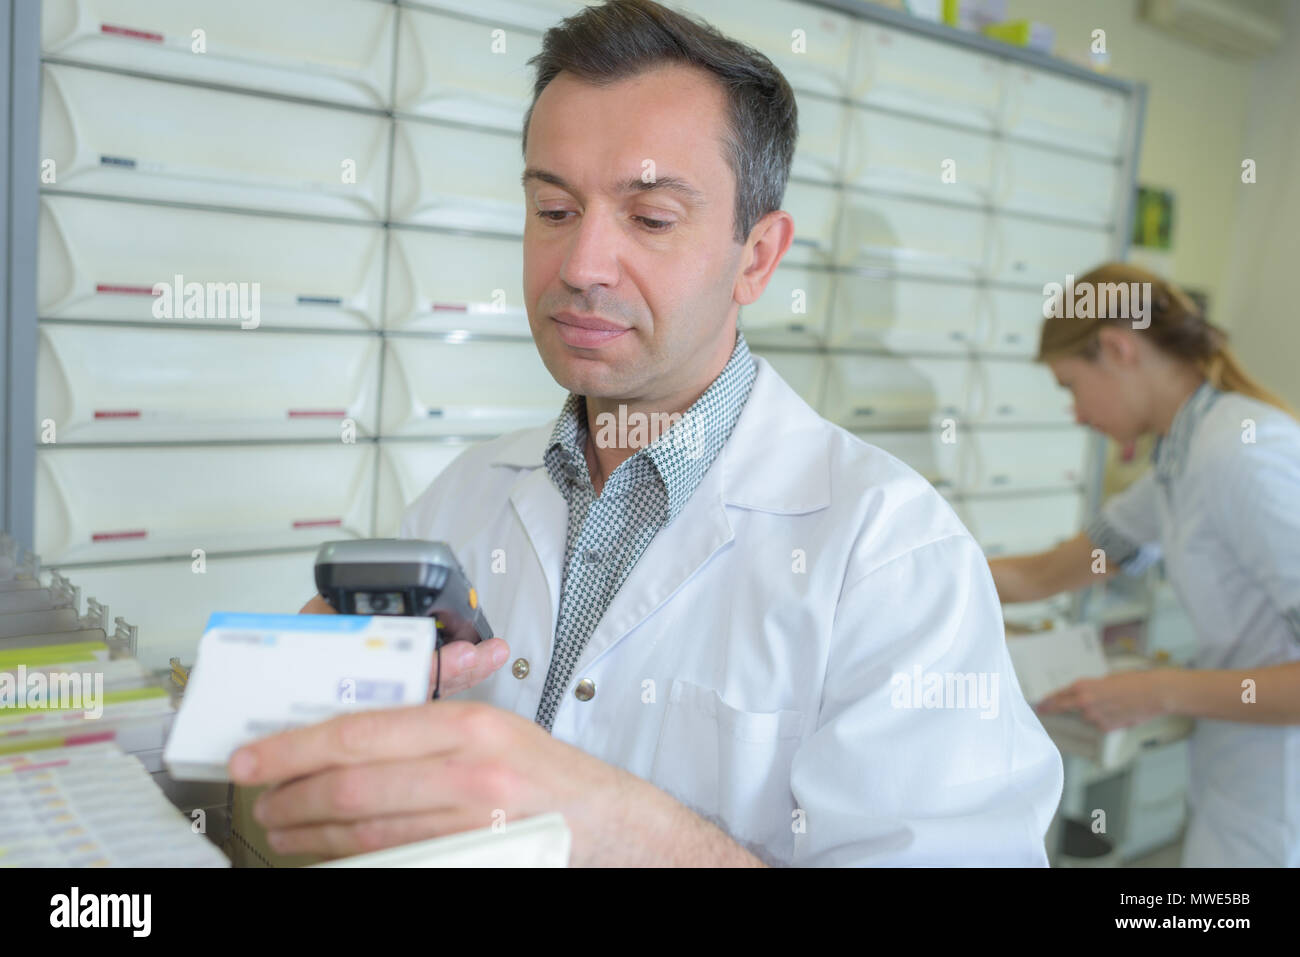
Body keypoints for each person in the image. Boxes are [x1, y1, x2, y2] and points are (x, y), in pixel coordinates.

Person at [231, 0, 1062, 867]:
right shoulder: (461, 500)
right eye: (554, 210)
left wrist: (632, 835)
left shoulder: (892, 557)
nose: (582, 267)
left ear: (758, 258)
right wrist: (327, 712)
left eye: (651, 218)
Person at [989, 262, 1300, 867]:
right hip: (1240, 783)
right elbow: (1048, 575)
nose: (1076, 414)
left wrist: (1155, 691)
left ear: (1116, 347)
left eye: (1070, 386)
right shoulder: (1179, 462)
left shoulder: (1242, 456)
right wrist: (919, 570)